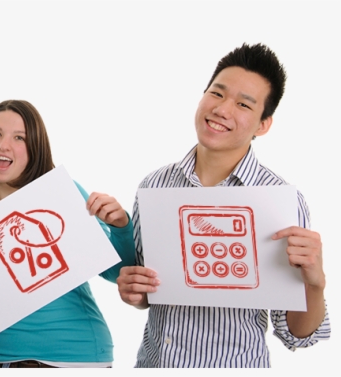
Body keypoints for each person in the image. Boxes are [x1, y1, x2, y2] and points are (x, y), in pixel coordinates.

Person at [116, 43, 331, 367]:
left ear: (263, 124)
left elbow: (296, 334)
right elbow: (151, 291)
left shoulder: (279, 199)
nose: (222, 109)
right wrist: (135, 291)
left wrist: (316, 284)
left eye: (243, 104)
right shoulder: (154, 186)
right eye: (217, 94)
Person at [0, 99, 136, 368]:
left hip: (77, 358)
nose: (3, 145)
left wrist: (121, 226)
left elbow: (118, 274)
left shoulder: (62, 194)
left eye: (19, 137)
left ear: (36, 148)